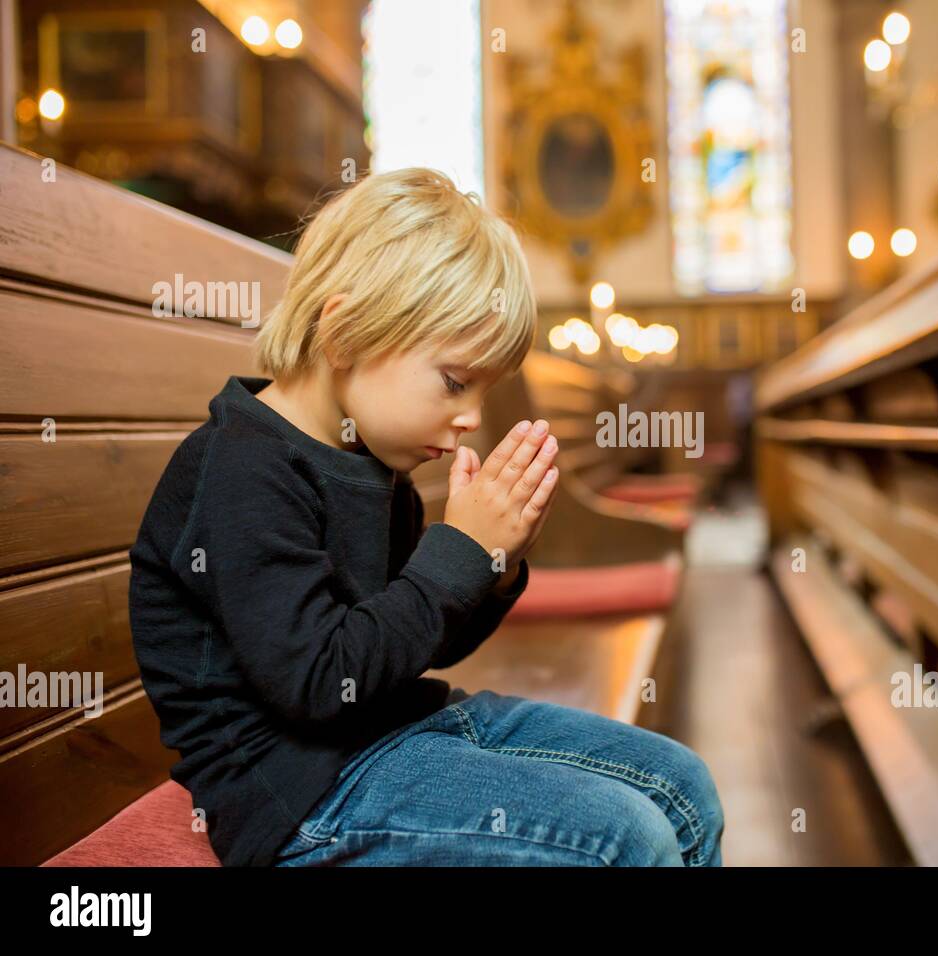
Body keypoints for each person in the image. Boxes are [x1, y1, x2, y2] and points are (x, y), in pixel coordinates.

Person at [128, 167, 724, 866]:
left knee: (685, 789)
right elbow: (320, 681)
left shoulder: (376, 459)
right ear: (345, 333)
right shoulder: (240, 467)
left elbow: (418, 643)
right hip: (299, 793)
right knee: (627, 838)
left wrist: (494, 565)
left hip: (397, 729)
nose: (472, 419)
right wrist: (460, 552)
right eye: (454, 382)